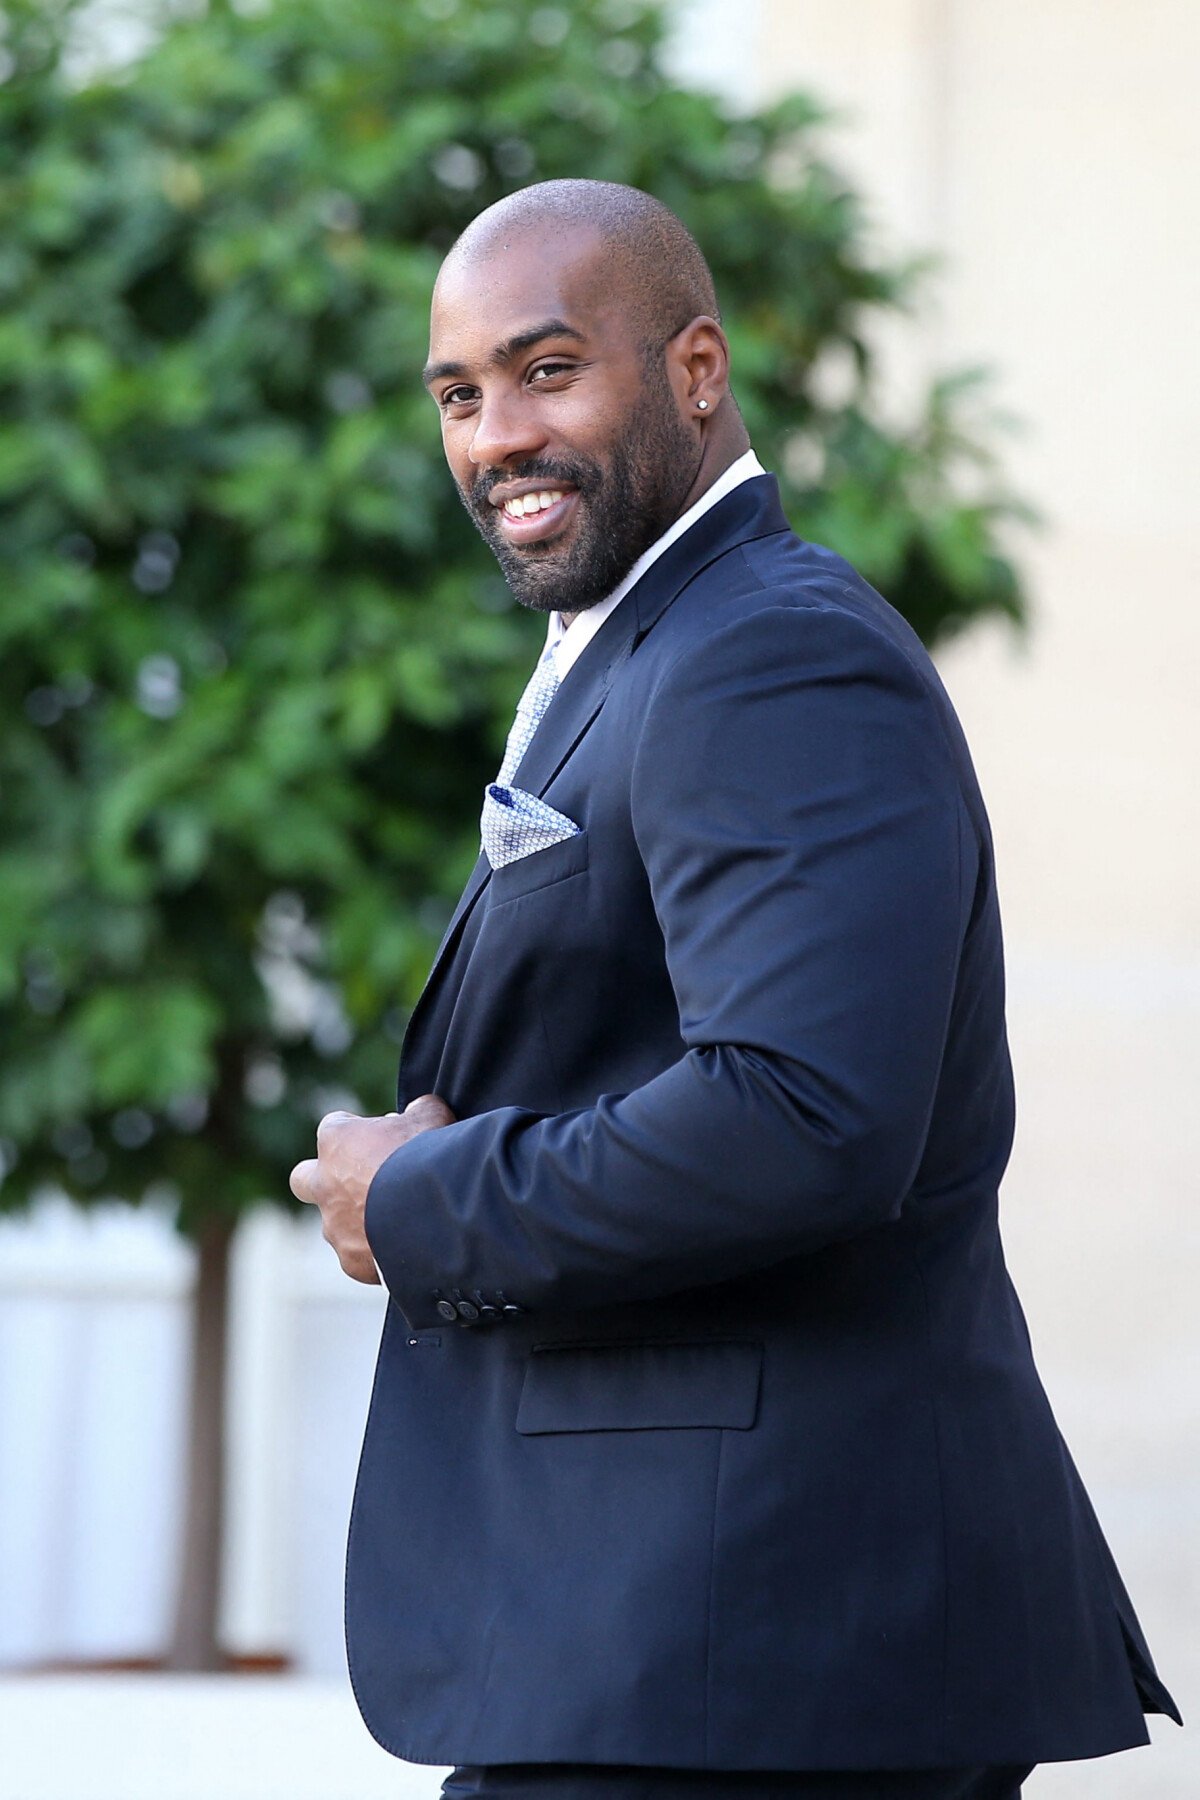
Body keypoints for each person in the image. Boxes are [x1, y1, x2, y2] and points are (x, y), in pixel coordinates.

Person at [289, 181, 1179, 1800]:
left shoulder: (771, 651)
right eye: (460, 393)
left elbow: (804, 1115)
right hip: (674, 1651)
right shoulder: (649, 647)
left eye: (549, 371)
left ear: (697, 373)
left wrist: (425, 1196)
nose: (497, 436)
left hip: (753, 1648)